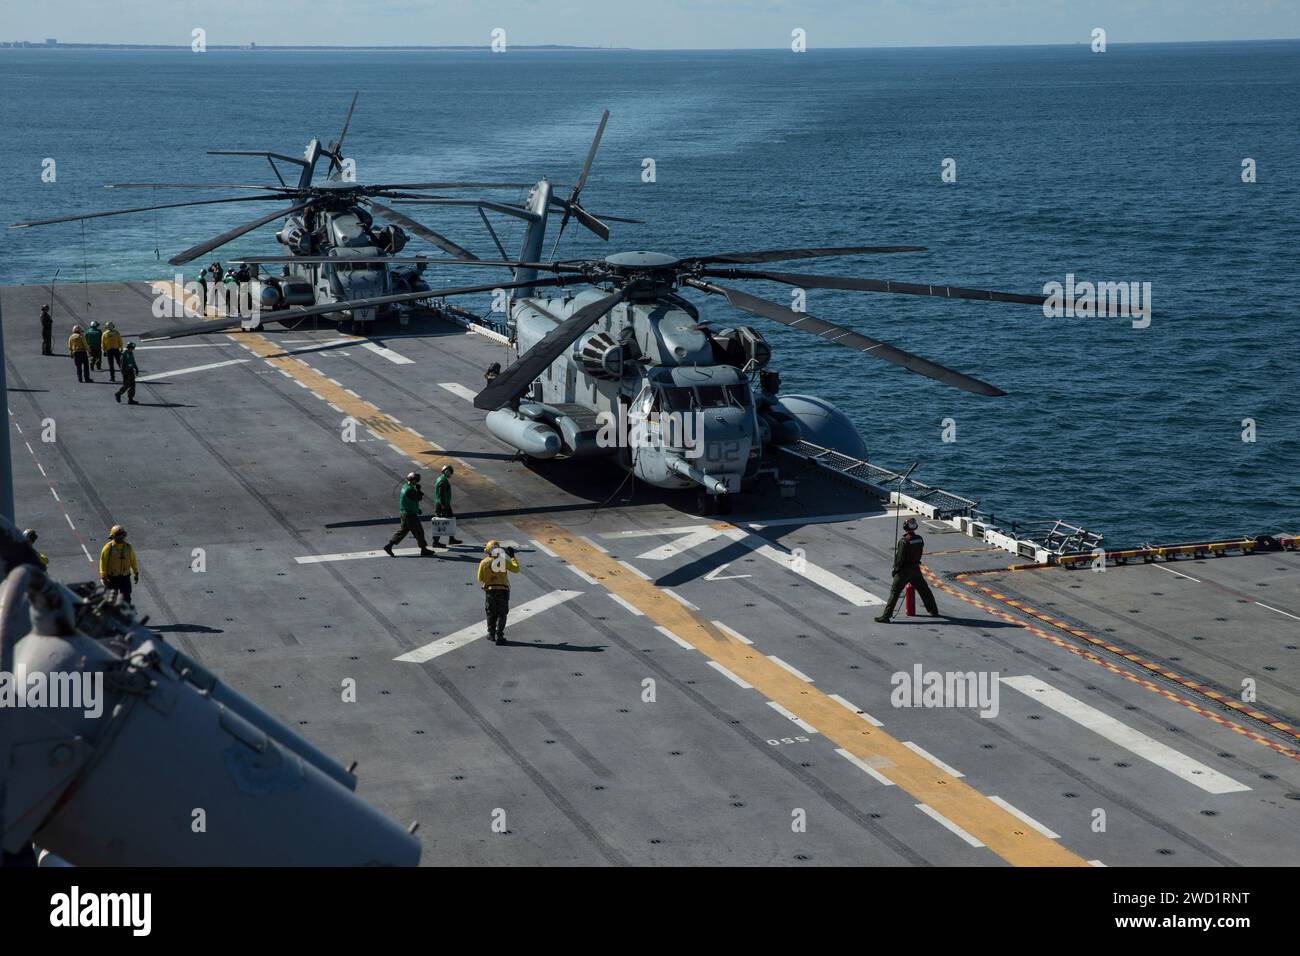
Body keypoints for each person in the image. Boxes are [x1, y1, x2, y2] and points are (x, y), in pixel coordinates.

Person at [875, 517, 939, 623]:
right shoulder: (919, 539)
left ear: (905, 527)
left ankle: (886, 616)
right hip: (915, 569)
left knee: (894, 593)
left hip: (904, 571)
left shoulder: (904, 541)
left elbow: (899, 559)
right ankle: (933, 610)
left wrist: (895, 570)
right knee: (924, 590)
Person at [477, 540, 519, 645]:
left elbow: (480, 578)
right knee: (502, 614)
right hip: (503, 591)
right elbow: (516, 569)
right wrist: (513, 557)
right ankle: (499, 635)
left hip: (490, 592)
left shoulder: (483, 562)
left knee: (491, 613)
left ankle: (491, 634)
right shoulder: (503, 561)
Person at [383, 471, 434, 557]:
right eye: (416, 480)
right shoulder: (410, 489)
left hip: (405, 512)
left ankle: (389, 546)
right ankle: (424, 550)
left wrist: (417, 509)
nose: (417, 482)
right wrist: (419, 490)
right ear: (412, 480)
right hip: (410, 515)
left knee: (402, 531)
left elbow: (410, 501)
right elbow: (418, 498)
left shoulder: (405, 486)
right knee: (419, 531)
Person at [99, 525, 139, 603]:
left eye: (121, 536)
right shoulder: (108, 548)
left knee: (126, 599)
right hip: (112, 578)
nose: (120, 538)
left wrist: (136, 572)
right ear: (113, 537)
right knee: (109, 600)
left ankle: (125, 614)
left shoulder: (128, 547)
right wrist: (103, 576)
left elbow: (133, 560)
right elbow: (102, 562)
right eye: (118, 536)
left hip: (125, 577)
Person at [430, 463, 462, 548]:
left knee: (451, 519)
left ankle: (451, 539)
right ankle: (435, 542)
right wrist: (443, 505)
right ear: (446, 471)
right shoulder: (442, 481)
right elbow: (441, 494)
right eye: (450, 472)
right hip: (442, 505)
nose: (451, 474)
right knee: (440, 523)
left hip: (445, 504)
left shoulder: (442, 479)